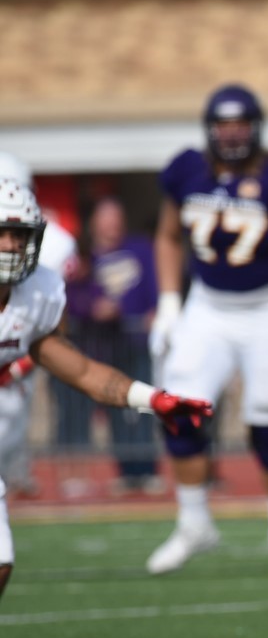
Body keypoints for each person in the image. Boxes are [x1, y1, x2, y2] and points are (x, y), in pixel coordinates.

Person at [145, 84, 268, 578]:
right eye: (222, 124)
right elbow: (166, 236)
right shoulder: (187, 170)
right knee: (179, 411)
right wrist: (167, 303)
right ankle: (194, 524)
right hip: (208, 307)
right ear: (209, 128)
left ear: (256, 128)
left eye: (240, 124)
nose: (231, 134)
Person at [0, 179, 210, 601]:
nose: (9, 245)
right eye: (0, 234)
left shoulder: (37, 293)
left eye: (18, 234)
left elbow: (81, 371)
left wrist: (153, 400)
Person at [65, 196, 163, 494]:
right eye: (106, 219)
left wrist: (154, 311)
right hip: (103, 347)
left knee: (143, 404)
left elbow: (155, 286)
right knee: (116, 406)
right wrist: (94, 307)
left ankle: (146, 470)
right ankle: (125, 469)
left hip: (136, 342)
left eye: (116, 218)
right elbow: (71, 296)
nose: (112, 225)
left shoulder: (139, 249)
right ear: (96, 222)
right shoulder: (85, 257)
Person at [0, 151, 82, 497]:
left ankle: (16, 473)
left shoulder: (50, 249)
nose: (11, 244)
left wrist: (16, 367)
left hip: (17, 347)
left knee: (12, 431)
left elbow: (55, 327)